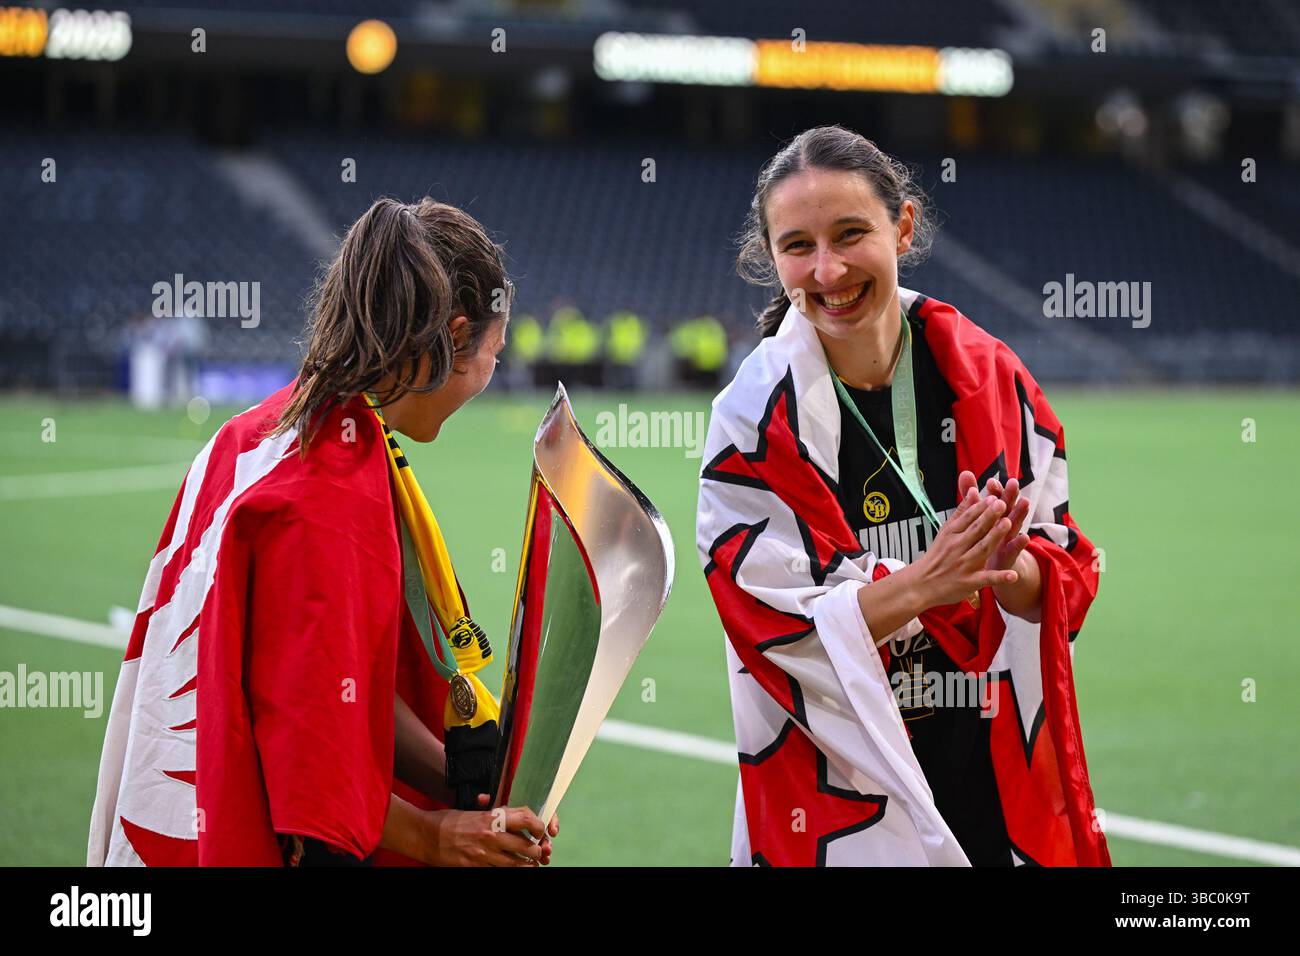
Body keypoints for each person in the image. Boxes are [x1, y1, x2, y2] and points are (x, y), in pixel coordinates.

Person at [89, 197, 558, 867]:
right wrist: (435, 835)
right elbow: (310, 759)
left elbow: (330, 684)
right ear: (456, 336)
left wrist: (462, 785)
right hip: (223, 835)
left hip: (164, 818)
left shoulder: (263, 430)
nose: (492, 373)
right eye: (494, 351)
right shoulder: (329, 493)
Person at [696, 126, 1108, 867]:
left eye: (851, 234)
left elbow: (1068, 571)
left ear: (903, 226)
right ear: (771, 256)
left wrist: (1010, 570)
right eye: (797, 246)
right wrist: (928, 583)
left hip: (985, 773)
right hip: (839, 792)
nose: (827, 269)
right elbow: (766, 626)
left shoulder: (991, 376)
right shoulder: (753, 419)